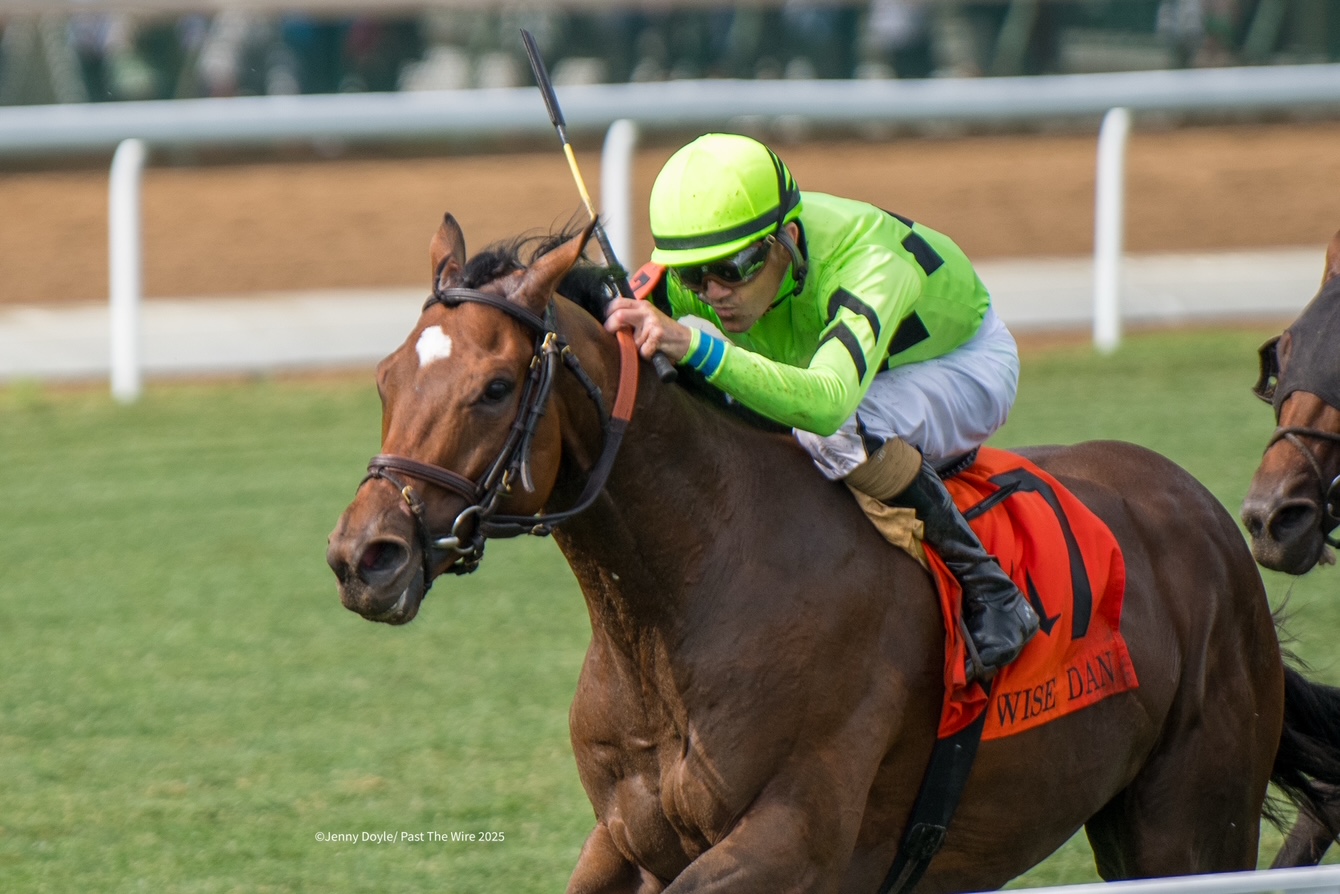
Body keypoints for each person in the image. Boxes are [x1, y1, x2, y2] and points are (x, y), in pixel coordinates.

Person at [604, 132, 1039, 682]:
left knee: (826, 432)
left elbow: (828, 404)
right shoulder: (714, 269)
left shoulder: (867, 262)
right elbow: (609, 304)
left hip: (964, 366)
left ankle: (993, 592)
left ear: (785, 237)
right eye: (695, 274)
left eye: (734, 268)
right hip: (840, 368)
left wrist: (694, 345)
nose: (713, 292)